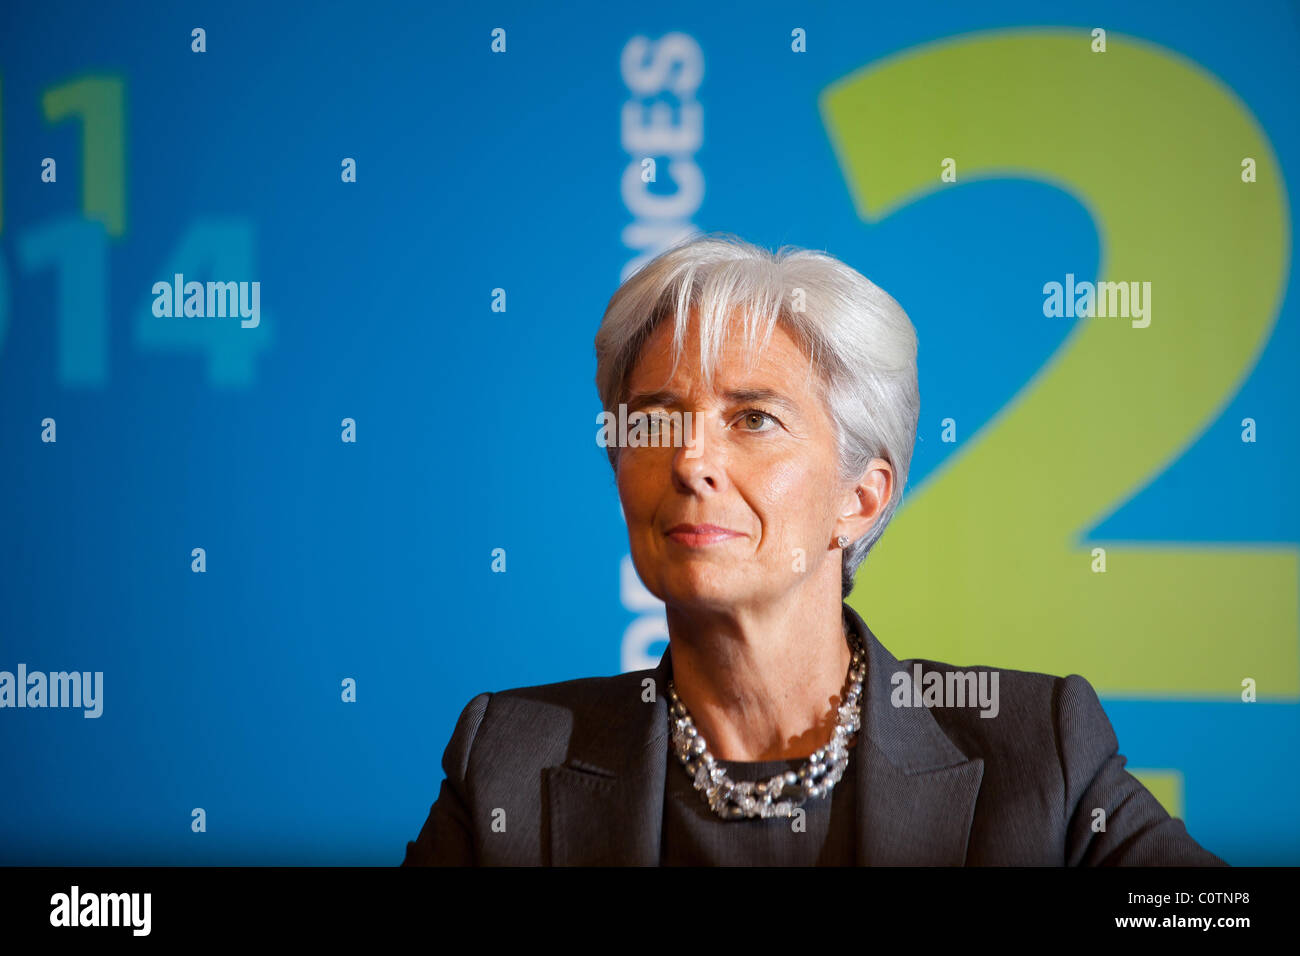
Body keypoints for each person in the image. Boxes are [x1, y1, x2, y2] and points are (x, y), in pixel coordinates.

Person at [401, 232, 1225, 866]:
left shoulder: (1035, 748)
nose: (691, 462)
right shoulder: (510, 753)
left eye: (752, 418)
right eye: (654, 420)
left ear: (859, 498)